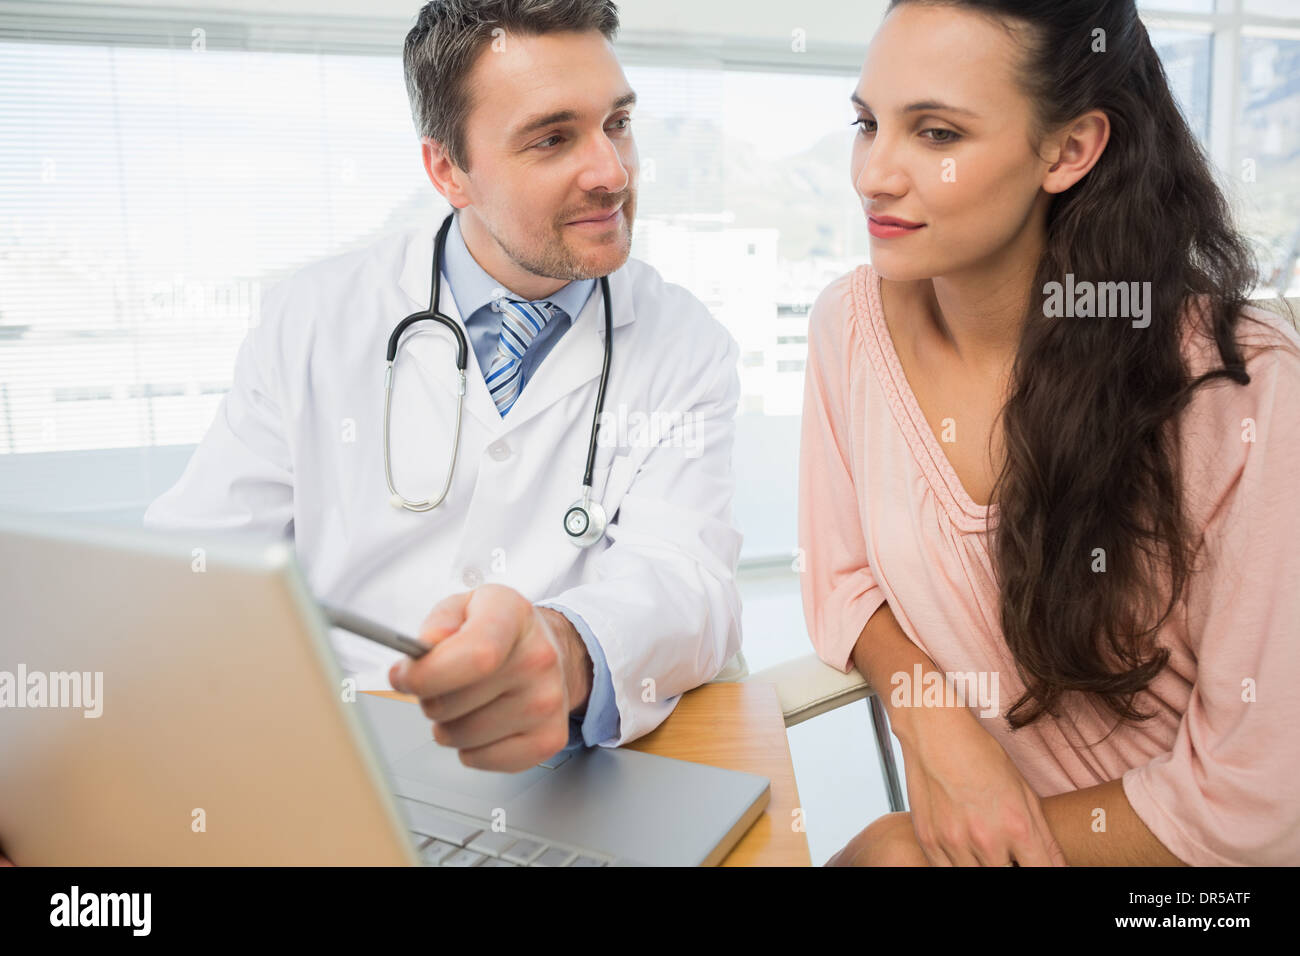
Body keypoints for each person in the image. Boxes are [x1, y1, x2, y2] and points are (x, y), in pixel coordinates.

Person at [143, 0, 744, 775]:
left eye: (618, 123)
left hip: (568, 768)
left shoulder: (686, 343)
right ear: (447, 171)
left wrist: (561, 652)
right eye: (554, 138)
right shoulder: (314, 320)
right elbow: (192, 569)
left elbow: (687, 579)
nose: (613, 173)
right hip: (340, 758)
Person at [799, 0, 1300, 866]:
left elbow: (1254, 799)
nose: (873, 174)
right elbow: (840, 580)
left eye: (938, 135)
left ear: (1068, 149)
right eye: (867, 123)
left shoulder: (1242, 390)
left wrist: (913, 851)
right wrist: (932, 716)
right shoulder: (847, 325)